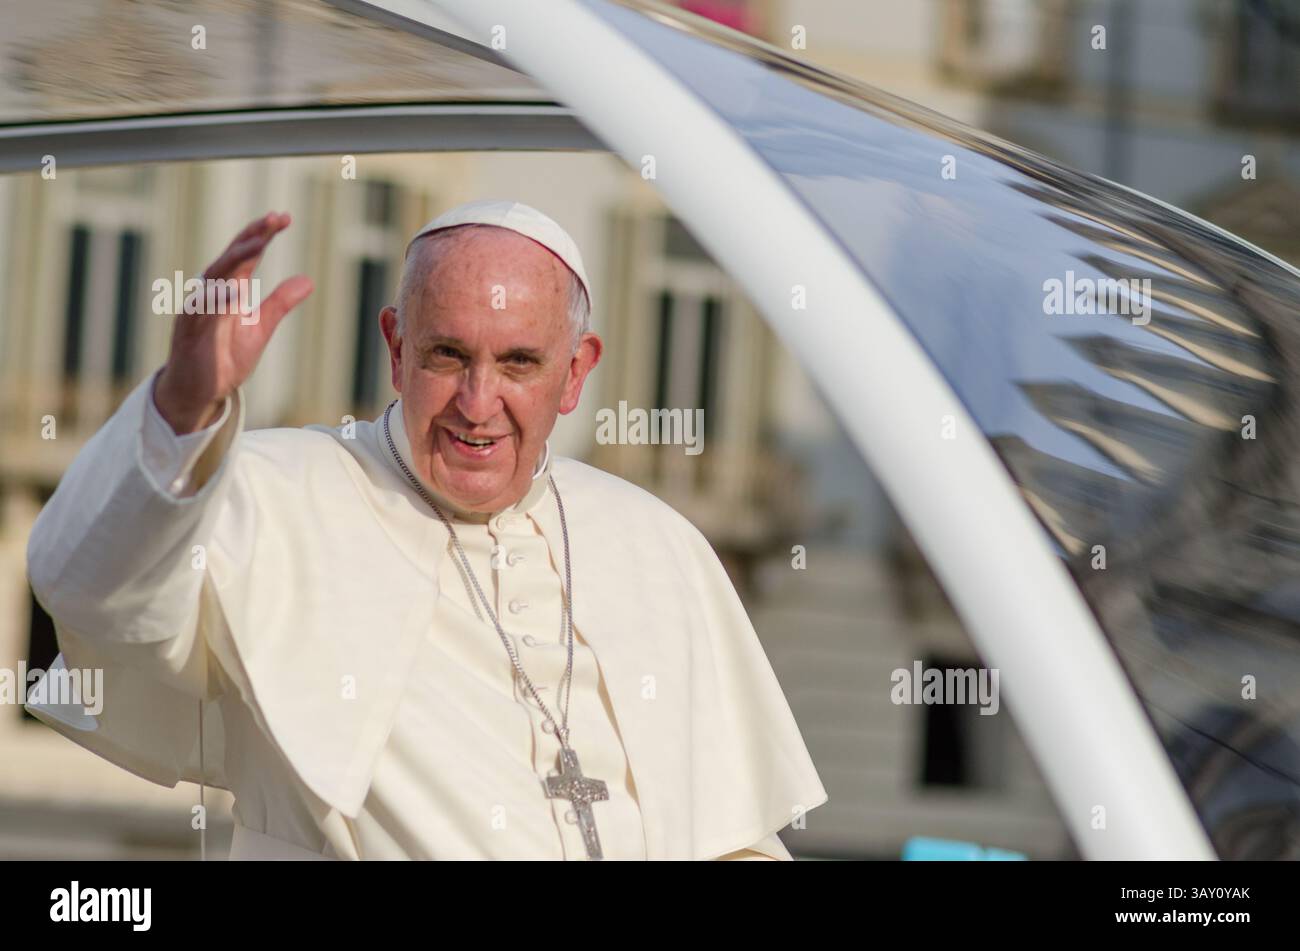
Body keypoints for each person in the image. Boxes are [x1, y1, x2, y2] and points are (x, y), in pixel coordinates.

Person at [25, 199, 827, 860]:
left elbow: (734, 840)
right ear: (396, 347)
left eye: (518, 363)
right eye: (447, 355)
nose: (478, 405)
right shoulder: (273, 493)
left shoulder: (657, 545)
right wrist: (179, 410)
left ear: (577, 371)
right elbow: (89, 588)